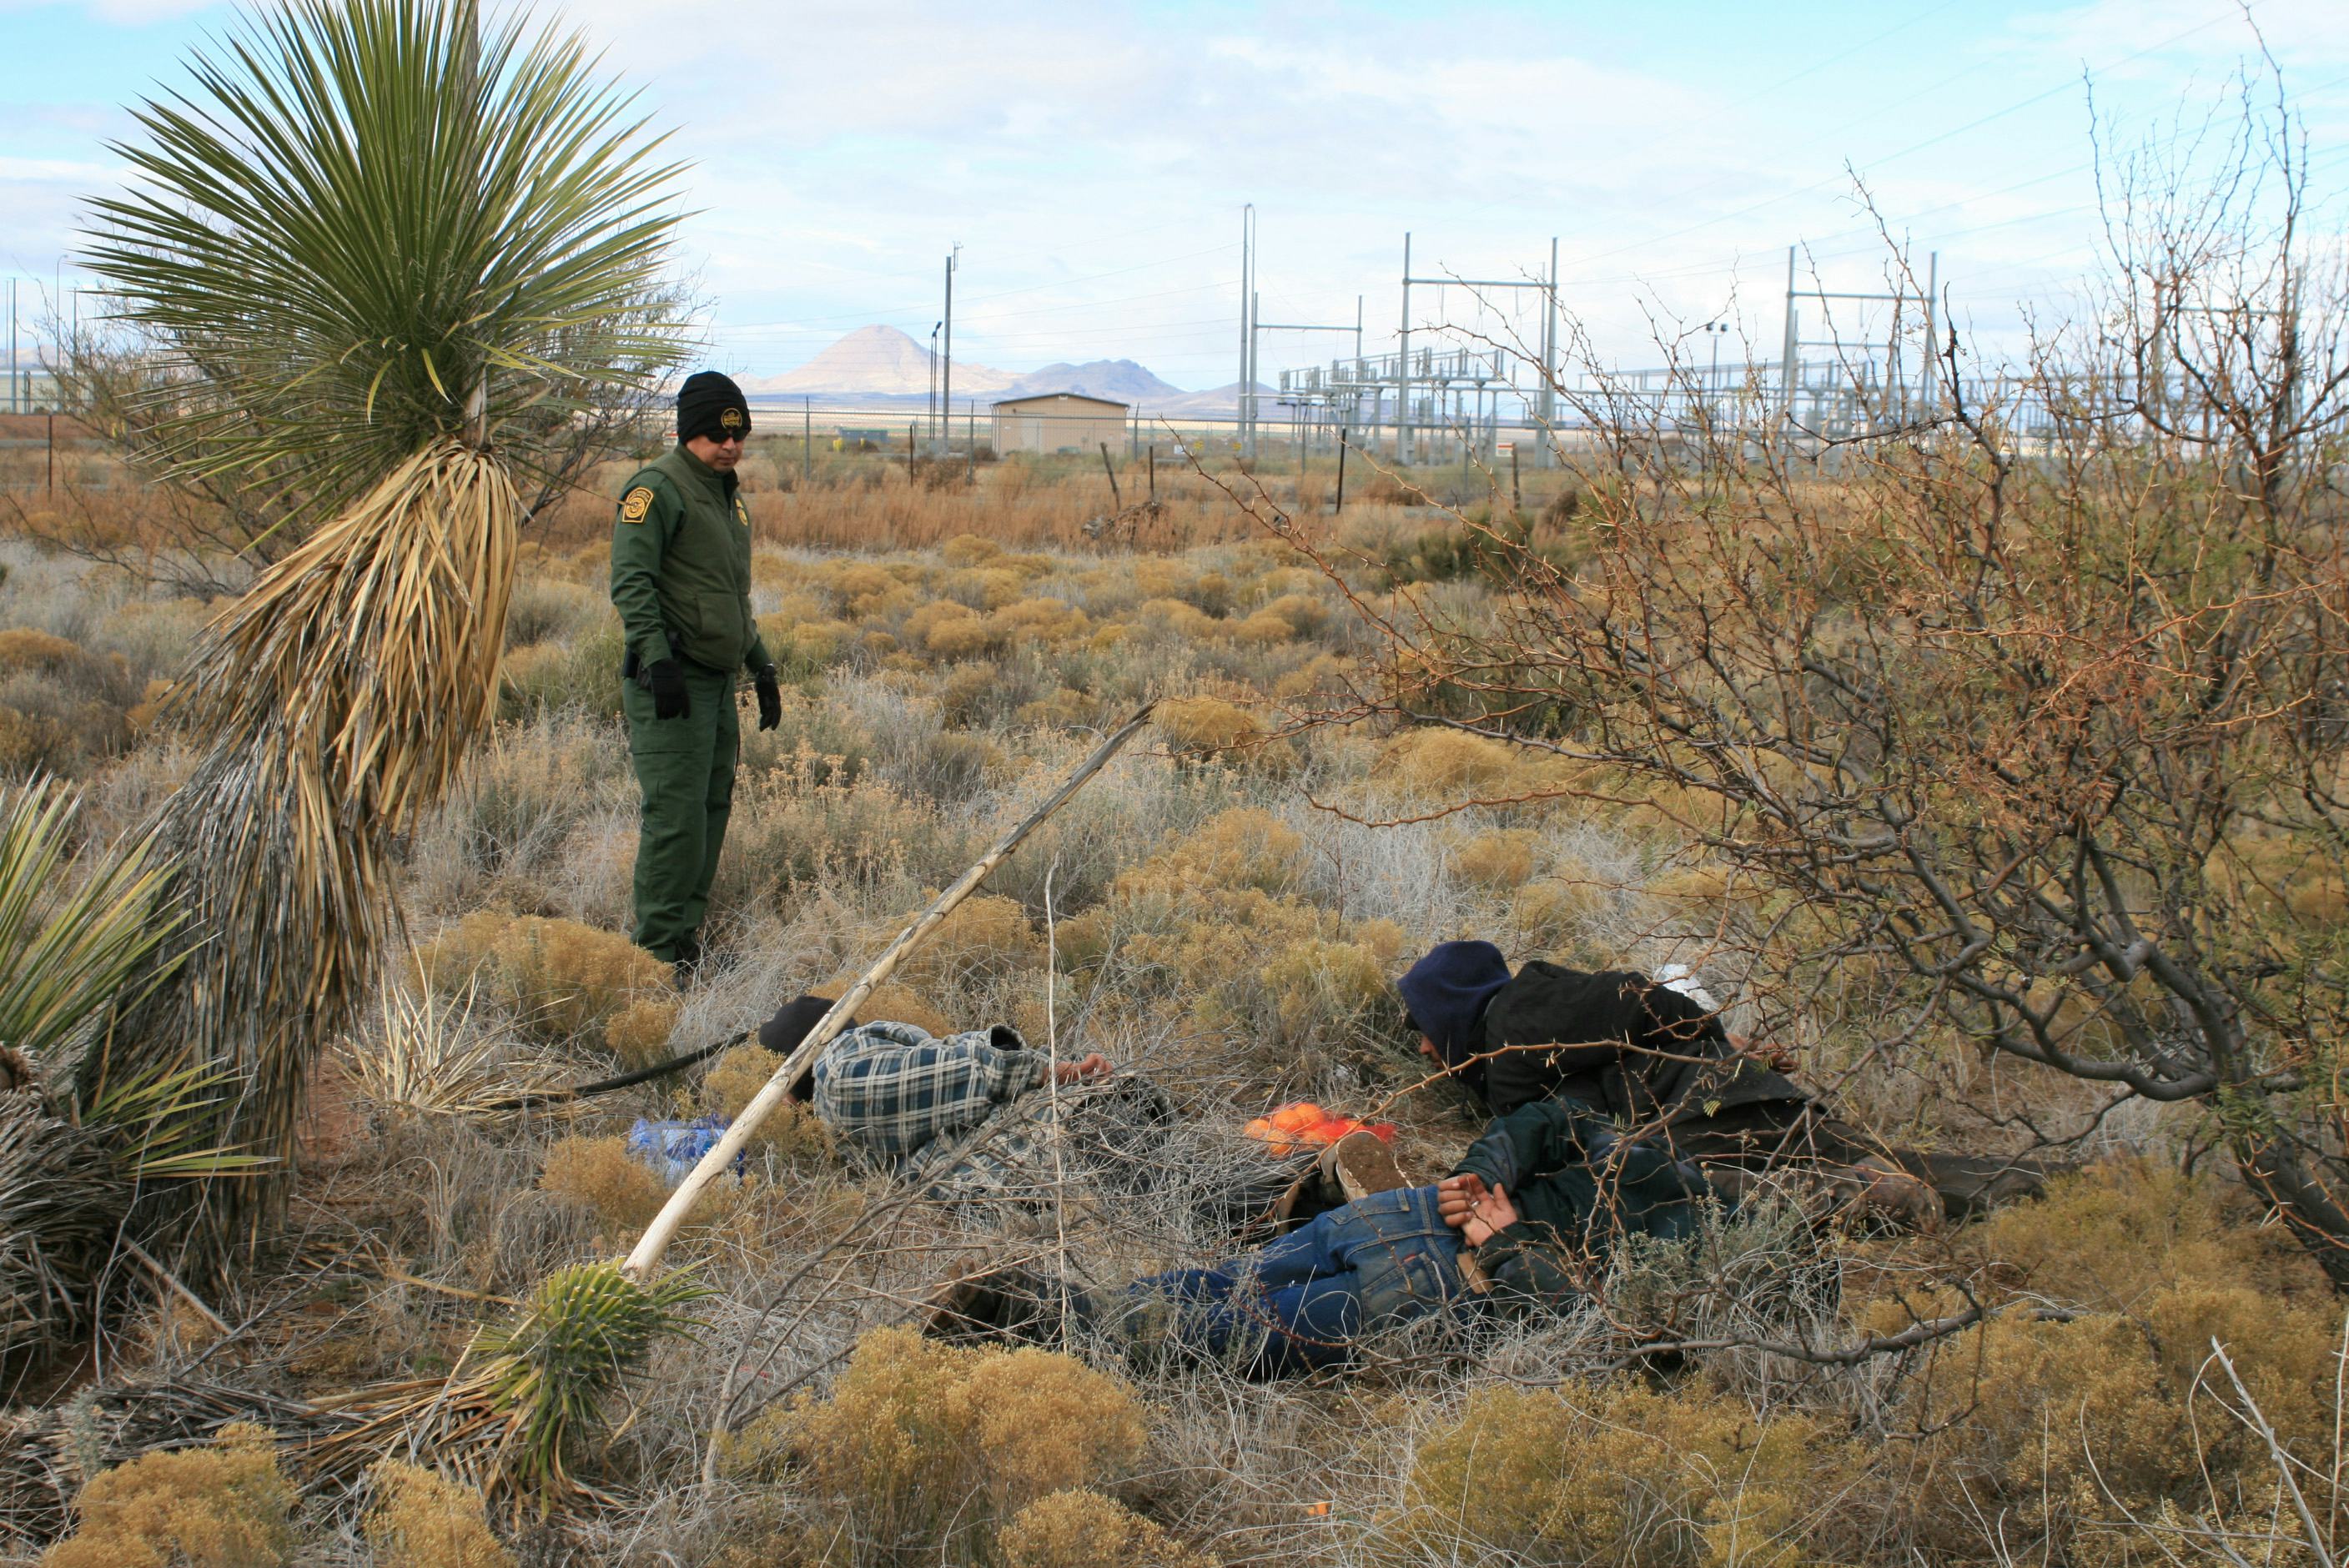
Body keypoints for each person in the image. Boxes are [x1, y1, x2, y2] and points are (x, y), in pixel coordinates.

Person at [928, 1097, 1714, 1375]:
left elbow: (1617, 1329)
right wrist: (1475, 1183)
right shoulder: (1684, 1196)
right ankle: (1035, 1325)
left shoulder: (1698, 1217)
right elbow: (1544, 1120)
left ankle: (1030, 1318)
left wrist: (1499, 1232)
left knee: (1218, 1305)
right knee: (1218, 1310)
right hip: (1423, 1256)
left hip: (1420, 1251)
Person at [1396, 941, 2047, 1226]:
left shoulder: (1514, 1021)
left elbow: (1625, 1000)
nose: (1423, 1044)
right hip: (1717, 1094)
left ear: (1454, 1008)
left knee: (1757, 1193)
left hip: (1704, 1110)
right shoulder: (1518, 1025)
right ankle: (2042, 1183)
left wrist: (1710, 1032)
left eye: (1422, 1024)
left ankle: (1888, 1196)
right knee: (1868, 1154)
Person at [609, 370, 783, 975]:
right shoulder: (657, 490)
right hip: (671, 682)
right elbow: (631, 584)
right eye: (715, 433)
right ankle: (655, 955)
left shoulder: (725, 494)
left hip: (714, 681)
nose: (729, 445)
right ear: (688, 431)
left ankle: (686, 939)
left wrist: (760, 663)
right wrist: (657, 661)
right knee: (675, 818)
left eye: (738, 434)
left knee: (710, 809)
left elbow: (732, 594)